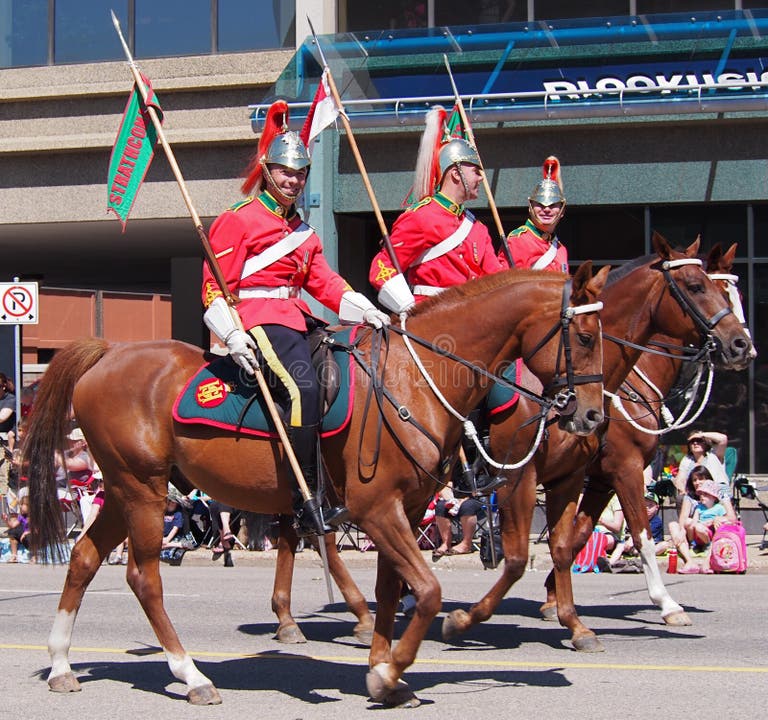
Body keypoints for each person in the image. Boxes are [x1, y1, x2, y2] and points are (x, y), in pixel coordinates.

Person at [201, 100, 390, 538]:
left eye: (300, 173)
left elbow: (324, 282)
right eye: (286, 171)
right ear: (267, 170)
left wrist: (366, 309)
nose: (294, 180)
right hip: (257, 318)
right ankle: (306, 498)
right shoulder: (238, 220)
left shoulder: (303, 231)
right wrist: (232, 333)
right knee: (303, 387)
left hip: (299, 317)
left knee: (347, 373)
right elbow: (215, 286)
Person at [368, 105, 503, 312]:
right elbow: (382, 267)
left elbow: (496, 279)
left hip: (472, 319)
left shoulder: (478, 228)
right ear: (456, 174)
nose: (480, 177)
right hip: (431, 316)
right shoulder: (421, 217)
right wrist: (406, 307)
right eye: (475, 171)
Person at [500, 157, 568, 273]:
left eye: (553, 205)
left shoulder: (561, 249)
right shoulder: (518, 240)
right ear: (530, 207)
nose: (546, 209)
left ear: (562, 211)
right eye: (540, 204)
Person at [668, 465, 736, 573]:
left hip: (710, 532)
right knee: (673, 525)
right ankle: (690, 561)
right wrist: (681, 531)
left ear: (708, 479)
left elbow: (732, 518)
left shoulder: (720, 494)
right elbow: (683, 519)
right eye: (694, 480)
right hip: (692, 532)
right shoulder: (690, 497)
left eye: (701, 479)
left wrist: (719, 519)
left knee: (695, 525)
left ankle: (707, 557)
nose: (697, 482)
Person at [431, 469, 485, 561]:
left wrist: (461, 502)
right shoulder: (455, 465)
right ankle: (446, 543)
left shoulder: (479, 465)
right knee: (440, 506)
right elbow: (446, 485)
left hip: (477, 497)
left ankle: (466, 544)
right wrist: (451, 500)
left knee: (467, 506)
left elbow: (478, 490)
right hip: (455, 498)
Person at [674, 429, 729, 500]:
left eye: (699, 440)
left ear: (705, 443)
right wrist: (682, 491)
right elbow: (679, 479)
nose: (695, 443)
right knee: (680, 499)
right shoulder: (687, 459)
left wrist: (701, 435)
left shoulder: (713, 455)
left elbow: (723, 439)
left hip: (718, 494)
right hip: (695, 495)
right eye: (692, 441)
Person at [0, 373, 17, 515]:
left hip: (4, 445)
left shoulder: (9, 400)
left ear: (3, 386)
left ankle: (13, 521)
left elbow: (2, 417)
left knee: (5, 484)